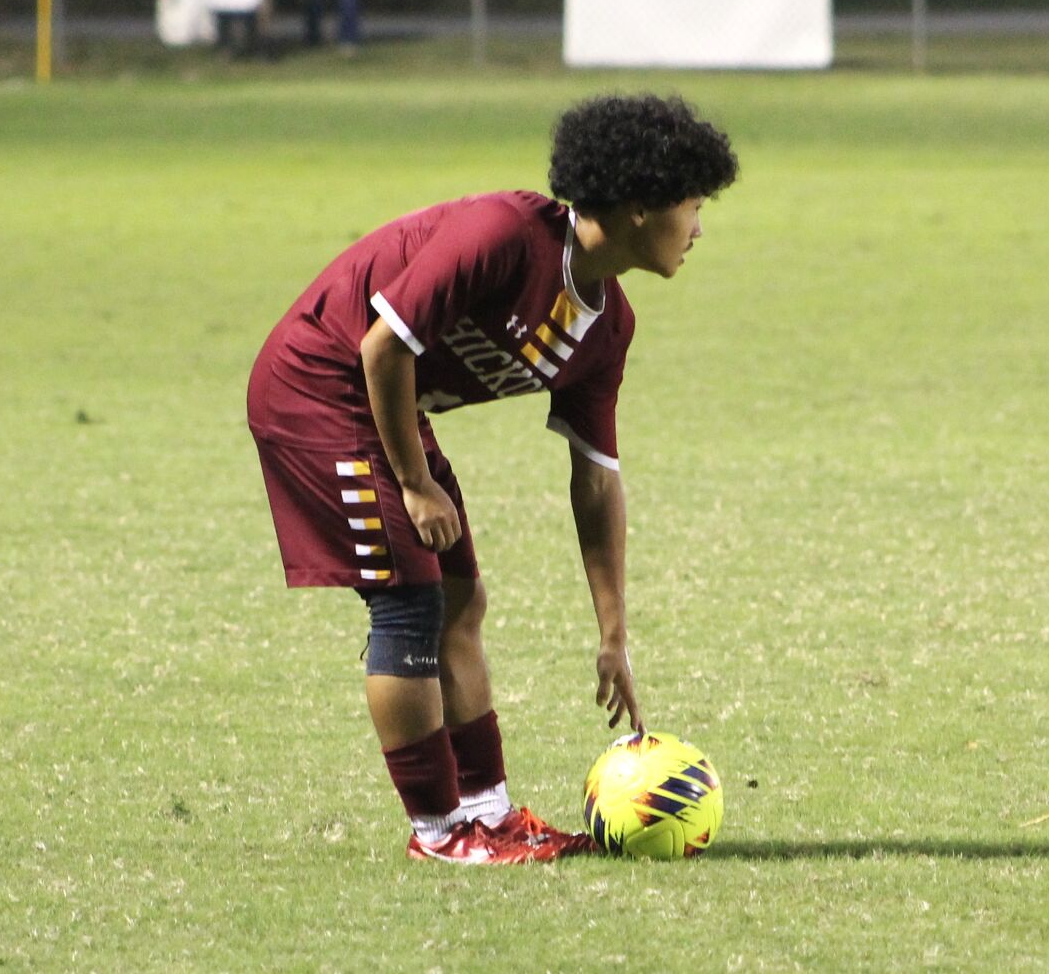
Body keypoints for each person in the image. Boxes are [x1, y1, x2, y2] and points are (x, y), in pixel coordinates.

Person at [246, 94, 739, 864]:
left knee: (459, 599)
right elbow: (381, 348)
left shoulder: (608, 327)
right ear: (642, 205)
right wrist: (413, 483)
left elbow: (596, 482)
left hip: (387, 406)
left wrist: (614, 636)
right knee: (409, 602)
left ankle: (489, 814)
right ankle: (440, 833)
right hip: (319, 386)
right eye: (694, 204)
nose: (701, 227)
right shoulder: (504, 235)